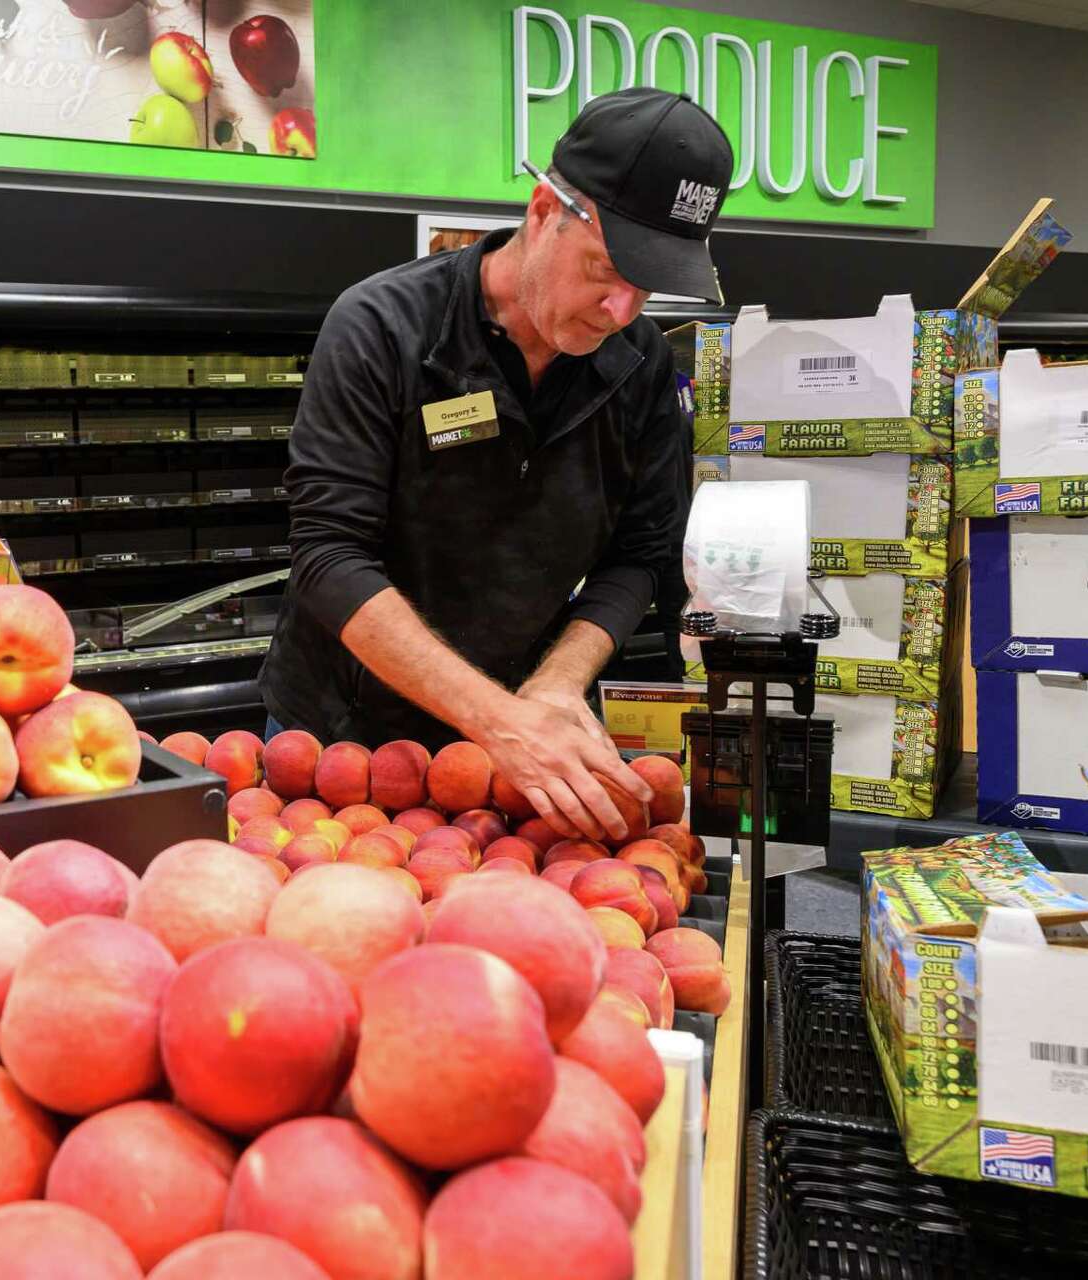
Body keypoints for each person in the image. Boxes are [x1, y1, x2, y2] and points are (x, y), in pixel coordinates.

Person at [259, 87, 733, 843]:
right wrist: (497, 717)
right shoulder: (382, 328)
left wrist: (555, 682)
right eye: (605, 269)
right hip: (347, 738)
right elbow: (328, 555)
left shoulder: (638, 364)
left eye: (646, 284)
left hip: (519, 743)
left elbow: (640, 555)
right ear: (544, 211)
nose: (621, 309)